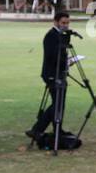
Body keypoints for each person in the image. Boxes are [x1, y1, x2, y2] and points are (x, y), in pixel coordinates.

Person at [26, 9, 73, 145]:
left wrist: (68, 61)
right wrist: (66, 61)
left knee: (60, 104)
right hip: (52, 74)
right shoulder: (51, 36)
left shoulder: (61, 35)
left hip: (60, 72)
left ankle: (57, 128)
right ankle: (37, 129)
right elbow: (52, 56)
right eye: (63, 22)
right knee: (57, 104)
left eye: (67, 23)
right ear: (56, 22)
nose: (66, 25)